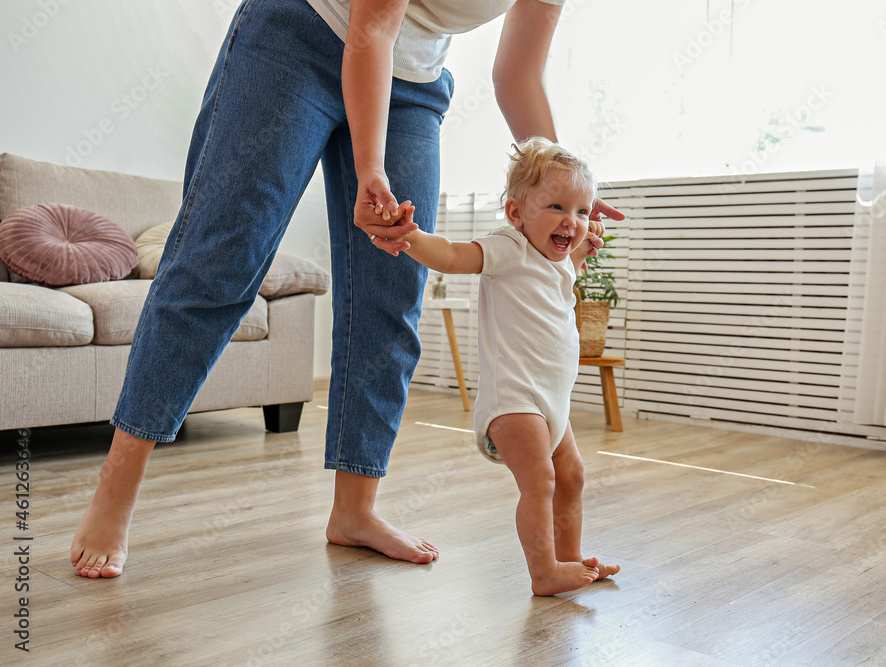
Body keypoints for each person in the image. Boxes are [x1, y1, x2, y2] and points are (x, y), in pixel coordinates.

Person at [70, 0, 624, 579]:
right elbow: (373, 24)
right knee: (218, 261)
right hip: (298, 40)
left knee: (392, 288)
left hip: (414, 81)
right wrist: (369, 169)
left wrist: (566, 188)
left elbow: (517, 75)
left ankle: (355, 511)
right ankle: (117, 488)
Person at [381, 138, 621, 595]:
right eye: (556, 206)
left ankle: (571, 562)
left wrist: (580, 251)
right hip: (514, 402)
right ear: (516, 214)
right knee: (541, 481)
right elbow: (452, 256)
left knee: (572, 476)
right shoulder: (508, 247)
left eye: (582, 211)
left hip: (552, 403)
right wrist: (409, 237)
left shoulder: (559, 261)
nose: (571, 221)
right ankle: (544, 572)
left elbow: (559, 270)